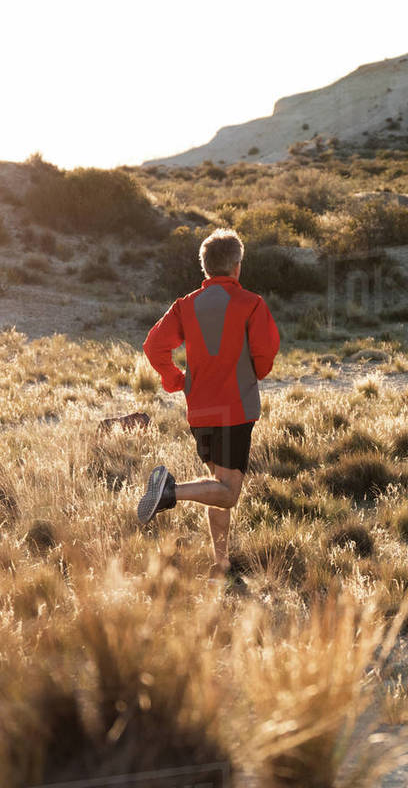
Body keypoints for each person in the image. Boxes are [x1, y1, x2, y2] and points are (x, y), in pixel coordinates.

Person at [136, 228, 280, 590]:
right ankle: (169, 491)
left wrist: (175, 379)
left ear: (204, 267)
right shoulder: (252, 304)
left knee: (217, 487)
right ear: (237, 265)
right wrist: (253, 373)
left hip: (199, 411)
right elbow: (265, 354)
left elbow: (154, 346)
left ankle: (221, 564)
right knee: (229, 493)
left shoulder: (185, 305)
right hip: (235, 410)